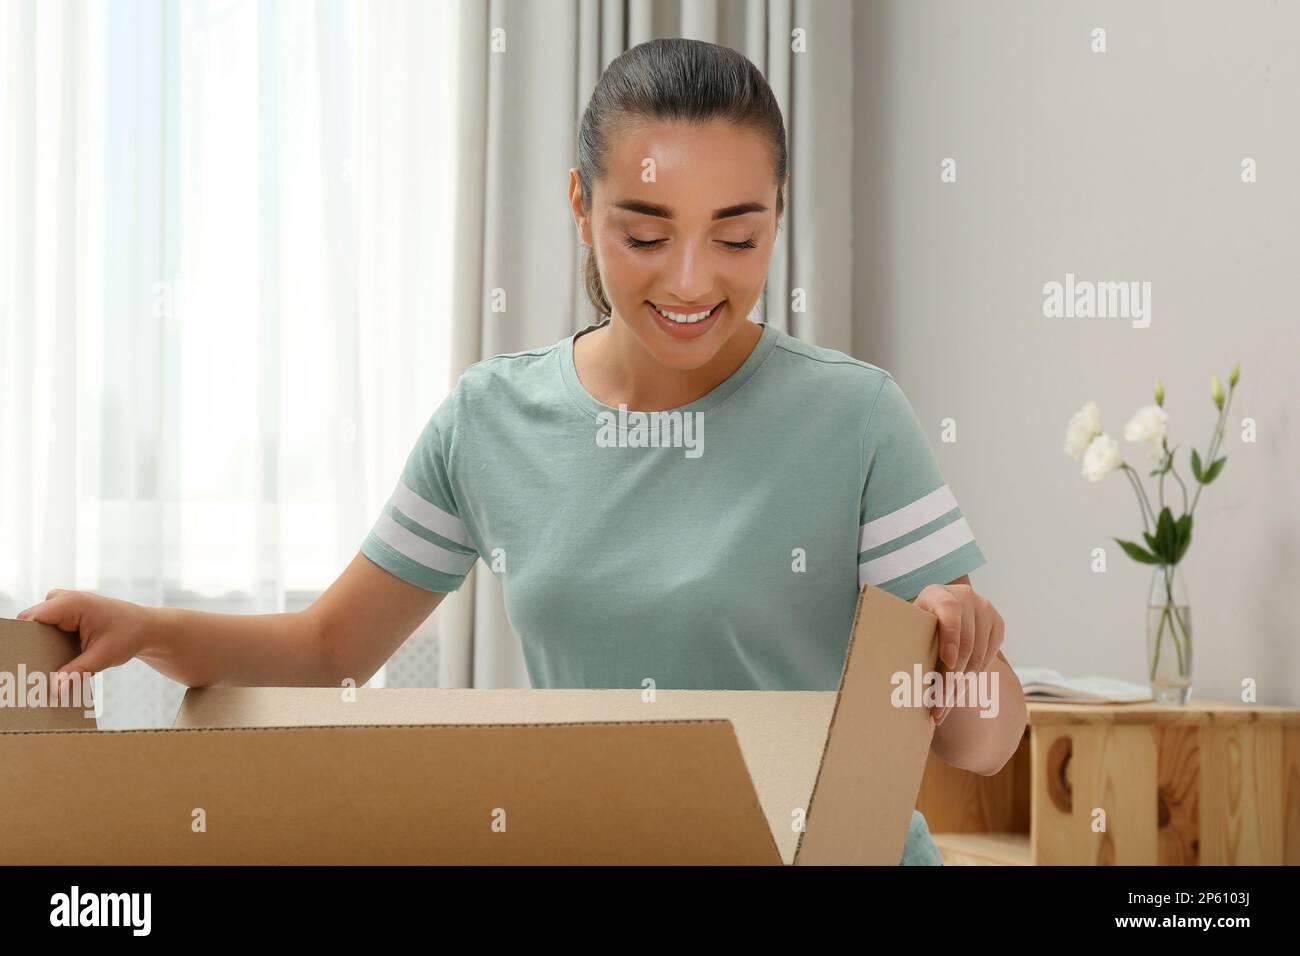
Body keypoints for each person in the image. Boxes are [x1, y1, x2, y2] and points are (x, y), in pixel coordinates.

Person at [16, 37, 1025, 865]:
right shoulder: (490, 418)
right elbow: (330, 649)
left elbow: (986, 745)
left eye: (735, 234)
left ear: (776, 216)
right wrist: (142, 623)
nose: (690, 279)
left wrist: (958, 653)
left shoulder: (853, 415)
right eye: (644, 231)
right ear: (581, 205)